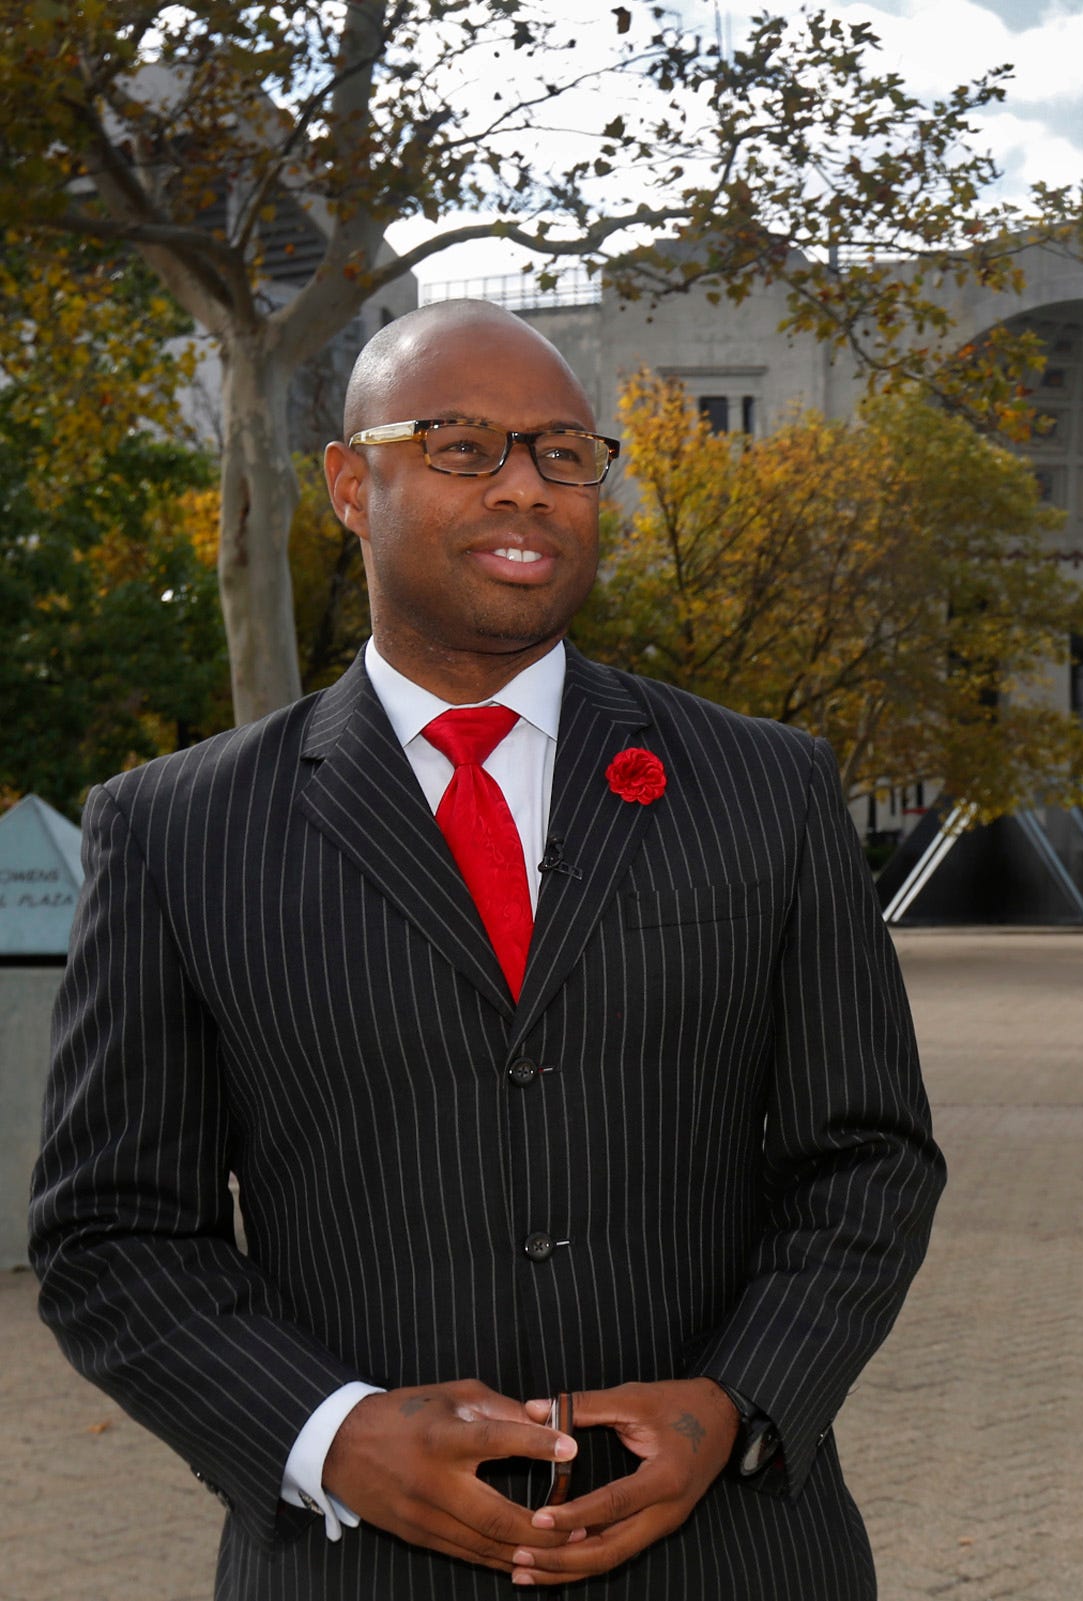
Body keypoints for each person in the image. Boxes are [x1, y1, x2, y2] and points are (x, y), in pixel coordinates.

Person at [30, 299, 945, 1598]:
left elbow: (866, 1156)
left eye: (564, 452)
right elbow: (113, 1230)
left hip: (732, 1560)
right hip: (356, 1571)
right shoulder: (177, 830)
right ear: (352, 483)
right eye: (463, 445)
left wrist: (734, 1404)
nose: (527, 486)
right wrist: (329, 1433)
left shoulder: (765, 787)